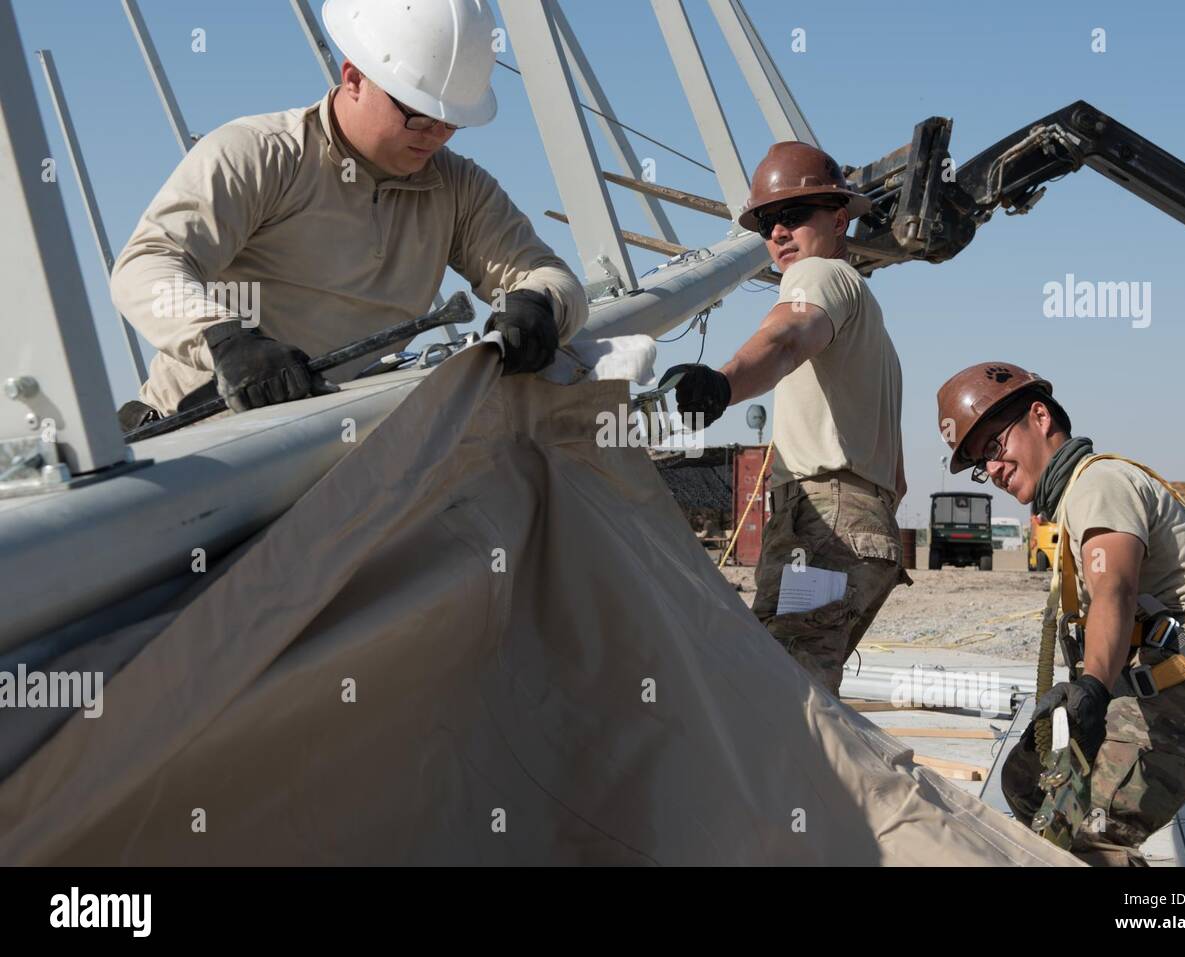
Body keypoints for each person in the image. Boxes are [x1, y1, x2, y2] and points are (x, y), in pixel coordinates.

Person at [112, 0, 586, 429]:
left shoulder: (459, 188)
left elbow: (547, 275)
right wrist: (225, 340)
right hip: (195, 436)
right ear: (354, 78)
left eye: (452, 123)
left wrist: (538, 305)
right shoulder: (260, 154)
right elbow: (146, 264)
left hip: (335, 443)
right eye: (418, 115)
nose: (436, 135)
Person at [935, 361, 1185, 864]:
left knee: (1071, 823)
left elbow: (1115, 591)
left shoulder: (1097, 483)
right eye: (982, 463)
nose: (993, 471)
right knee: (1027, 782)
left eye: (995, 447)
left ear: (1040, 418)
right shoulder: (1074, 500)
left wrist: (1093, 690)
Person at [663, 142, 909, 695]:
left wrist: (723, 384)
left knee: (777, 697)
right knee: (803, 690)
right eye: (767, 223)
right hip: (865, 530)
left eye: (794, 216)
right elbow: (898, 478)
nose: (777, 233)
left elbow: (786, 337)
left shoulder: (819, 275)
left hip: (824, 520)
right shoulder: (873, 328)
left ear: (840, 219)